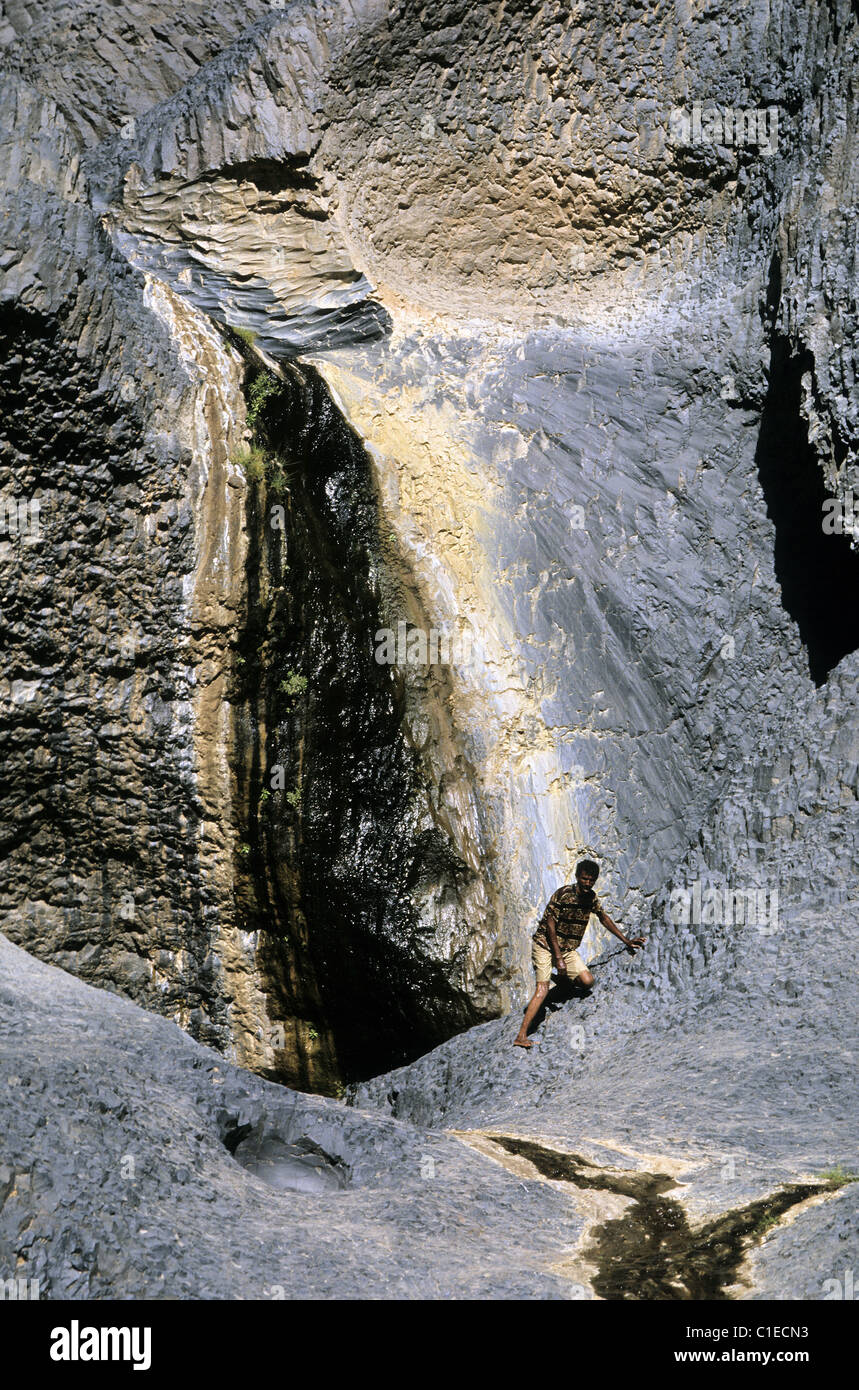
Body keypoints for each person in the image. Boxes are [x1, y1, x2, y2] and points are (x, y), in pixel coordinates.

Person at [513, 858, 646, 1048]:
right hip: (545, 945)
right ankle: (521, 1035)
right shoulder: (563, 895)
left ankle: (563, 982)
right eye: (584, 879)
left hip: (567, 949)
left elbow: (603, 918)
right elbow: (550, 926)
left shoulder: (591, 898)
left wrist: (626, 940)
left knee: (587, 982)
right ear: (577, 877)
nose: (587, 883)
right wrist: (558, 958)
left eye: (591, 880)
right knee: (542, 990)